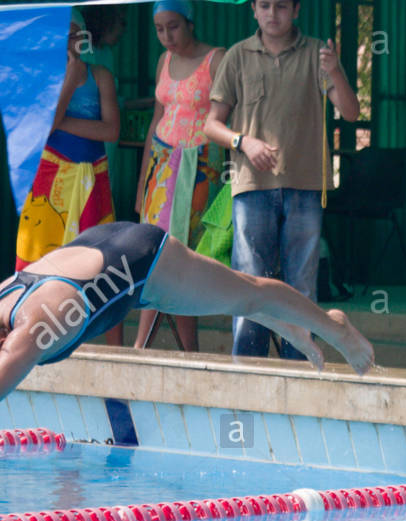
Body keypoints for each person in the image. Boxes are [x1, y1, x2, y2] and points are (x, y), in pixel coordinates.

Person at [0, 222, 375, 402]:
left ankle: (334, 326)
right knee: (236, 296)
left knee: (250, 294)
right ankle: (291, 328)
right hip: (100, 245)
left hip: (146, 265)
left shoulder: (34, 330)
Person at [204, 0, 360, 362]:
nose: (273, 13)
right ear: (254, 10)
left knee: (301, 286)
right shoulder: (238, 56)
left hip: (305, 186)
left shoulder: (318, 55)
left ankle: (299, 370)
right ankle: (249, 370)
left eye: (281, 6)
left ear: (297, 10)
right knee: (249, 283)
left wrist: (335, 71)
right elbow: (211, 124)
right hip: (251, 185)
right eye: (265, 5)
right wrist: (244, 141)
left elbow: (351, 113)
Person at [133, 0, 225, 353]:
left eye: (173, 26)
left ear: (190, 23)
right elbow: (157, 119)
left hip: (200, 168)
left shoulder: (216, 59)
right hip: (161, 166)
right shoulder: (164, 61)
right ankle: (162, 347)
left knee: (180, 258)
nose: (166, 36)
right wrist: (144, 183)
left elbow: (233, 114)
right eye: (159, 29)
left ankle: (161, 347)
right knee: (154, 254)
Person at [15, 13, 120, 272]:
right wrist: (70, 82)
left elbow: (111, 131)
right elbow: (41, 130)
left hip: (92, 175)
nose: (65, 42)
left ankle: (86, 310)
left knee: (92, 254)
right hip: (51, 176)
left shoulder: (100, 76)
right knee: (42, 251)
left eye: (72, 35)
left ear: (82, 38)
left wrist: (57, 121)